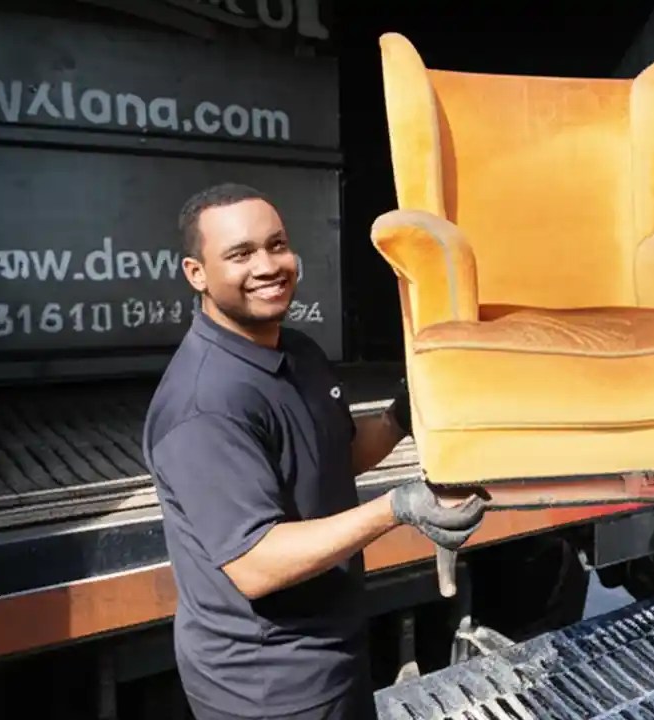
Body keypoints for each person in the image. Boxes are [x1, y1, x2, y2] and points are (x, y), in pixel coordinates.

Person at [142, 183, 487, 720]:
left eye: (276, 245)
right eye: (240, 254)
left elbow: (332, 456)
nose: (268, 265)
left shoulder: (297, 351)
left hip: (334, 646)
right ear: (197, 274)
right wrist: (398, 507)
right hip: (268, 683)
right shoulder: (204, 406)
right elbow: (254, 563)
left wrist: (403, 413)